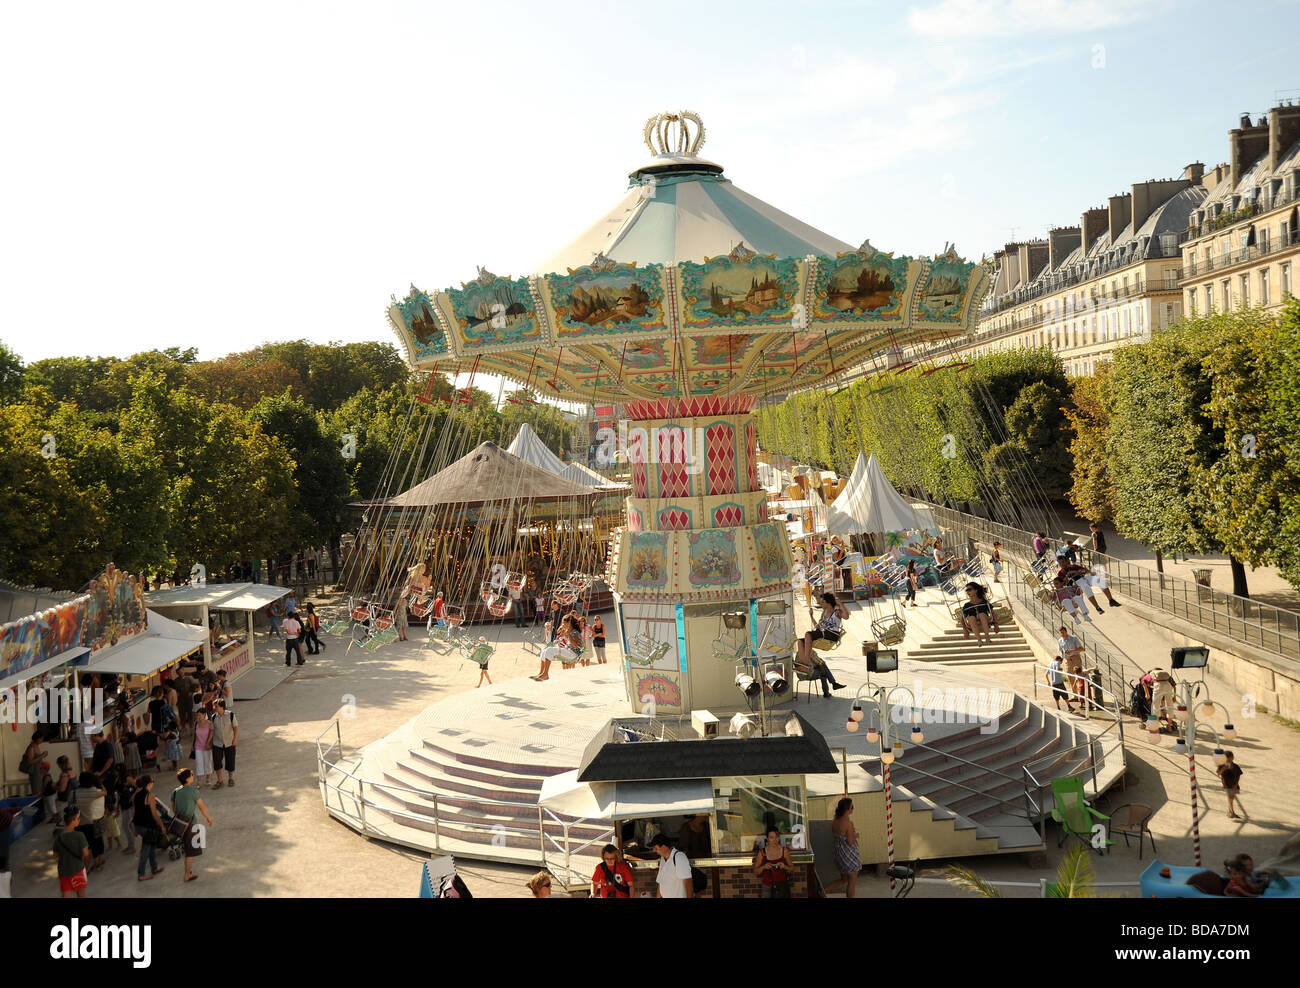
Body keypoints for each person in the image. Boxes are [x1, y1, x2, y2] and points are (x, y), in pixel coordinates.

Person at [796, 593, 849, 697]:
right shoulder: (823, 613)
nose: (820, 603)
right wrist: (811, 616)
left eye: (822, 601)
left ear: (828, 603)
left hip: (831, 635)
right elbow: (818, 627)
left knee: (807, 634)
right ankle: (804, 663)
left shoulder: (836, 612)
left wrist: (840, 603)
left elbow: (846, 616)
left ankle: (805, 663)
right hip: (823, 633)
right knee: (800, 641)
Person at [172, 768, 214, 882]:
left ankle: (188, 871)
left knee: (187, 848)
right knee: (190, 852)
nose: (193, 776)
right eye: (191, 775)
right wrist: (209, 818)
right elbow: (202, 807)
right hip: (191, 825)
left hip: (179, 824)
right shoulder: (193, 791)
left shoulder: (175, 791)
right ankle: (187, 874)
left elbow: (173, 807)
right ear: (187, 778)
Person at [133, 775, 166, 881]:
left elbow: (135, 813)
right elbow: (155, 814)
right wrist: (162, 825)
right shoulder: (150, 796)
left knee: (152, 846)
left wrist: (134, 828)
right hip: (147, 827)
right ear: (149, 784)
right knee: (145, 850)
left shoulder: (136, 795)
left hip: (139, 825)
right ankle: (141, 874)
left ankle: (154, 868)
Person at [824, 798, 860, 898]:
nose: (853, 809)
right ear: (847, 809)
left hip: (840, 855)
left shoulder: (835, 821)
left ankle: (822, 891)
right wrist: (856, 835)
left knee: (844, 880)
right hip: (850, 856)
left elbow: (841, 837)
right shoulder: (848, 823)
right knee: (852, 883)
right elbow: (850, 842)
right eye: (852, 807)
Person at [53, 806, 92, 898]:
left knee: (66, 895)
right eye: (78, 818)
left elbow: (55, 856)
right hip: (77, 870)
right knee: (81, 894)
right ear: (73, 820)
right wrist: (86, 868)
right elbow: (86, 854)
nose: (79, 820)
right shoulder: (79, 836)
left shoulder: (58, 837)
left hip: (63, 872)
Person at [74, 770, 108, 871]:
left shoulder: (74, 793)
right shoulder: (94, 792)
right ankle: (98, 861)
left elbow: (70, 804)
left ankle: (87, 866)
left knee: (86, 844)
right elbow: (105, 792)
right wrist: (99, 782)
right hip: (91, 821)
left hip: (79, 822)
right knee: (96, 840)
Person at [533, 614, 576, 682]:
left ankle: (545, 674)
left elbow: (575, 645)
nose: (562, 625)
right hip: (563, 648)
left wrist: (567, 634)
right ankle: (541, 673)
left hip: (569, 651)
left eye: (564, 623)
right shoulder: (564, 632)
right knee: (543, 650)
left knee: (549, 650)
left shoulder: (572, 631)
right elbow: (558, 632)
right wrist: (563, 629)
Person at [753, 826, 794, 898]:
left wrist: (784, 866)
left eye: (776, 837)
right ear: (767, 838)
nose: (775, 840)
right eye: (771, 837)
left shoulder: (784, 851)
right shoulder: (762, 852)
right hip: (767, 887)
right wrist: (764, 867)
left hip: (782, 886)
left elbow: (792, 869)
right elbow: (756, 871)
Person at [1056, 626, 1087, 715]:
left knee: (1079, 677)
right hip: (1067, 660)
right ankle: (1075, 696)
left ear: (1066, 631)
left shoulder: (1073, 638)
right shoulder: (1060, 641)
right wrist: (1062, 659)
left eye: (1063, 632)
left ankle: (1082, 697)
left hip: (1075, 657)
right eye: (1060, 633)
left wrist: (1073, 650)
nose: (1062, 634)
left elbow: (1082, 649)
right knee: (1070, 678)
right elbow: (1061, 651)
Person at [652, 834, 694, 898]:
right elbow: (661, 882)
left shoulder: (679, 857)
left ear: (664, 847)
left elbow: (688, 882)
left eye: (656, 848)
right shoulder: (663, 859)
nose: (654, 850)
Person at [211, 699, 238, 788]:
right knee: (217, 762)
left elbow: (236, 728)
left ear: (222, 707)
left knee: (230, 761)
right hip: (217, 743)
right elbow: (212, 730)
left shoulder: (230, 715)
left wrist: (235, 739)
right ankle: (220, 781)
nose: (214, 708)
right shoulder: (213, 717)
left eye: (216, 706)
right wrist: (209, 742)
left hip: (229, 742)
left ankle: (230, 779)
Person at [1217, 751, 1243, 820]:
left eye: (1230, 758)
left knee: (1232, 798)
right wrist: (1223, 769)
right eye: (1227, 759)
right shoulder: (1222, 765)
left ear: (1232, 758)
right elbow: (1219, 773)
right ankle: (1232, 812)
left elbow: (1238, 775)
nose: (1229, 760)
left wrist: (1236, 784)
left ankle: (1229, 812)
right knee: (1230, 799)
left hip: (1234, 784)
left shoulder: (1235, 766)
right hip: (1227, 785)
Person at [192, 709, 215, 787]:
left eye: (200, 715)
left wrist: (208, 743)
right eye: (197, 715)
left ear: (204, 714)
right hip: (198, 746)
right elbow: (194, 735)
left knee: (207, 762)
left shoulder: (209, 723)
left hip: (207, 746)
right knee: (199, 763)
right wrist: (192, 746)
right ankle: (198, 781)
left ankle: (208, 779)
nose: (198, 717)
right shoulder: (196, 723)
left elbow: (212, 734)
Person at [21, 730, 46, 796]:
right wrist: (42, 756)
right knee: (37, 791)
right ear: (37, 738)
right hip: (35, 773)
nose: (42, 740)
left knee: (41, 790)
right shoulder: (31, 747)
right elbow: (30, 761)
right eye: (41, 739)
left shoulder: (36, 746)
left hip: (39, 772)